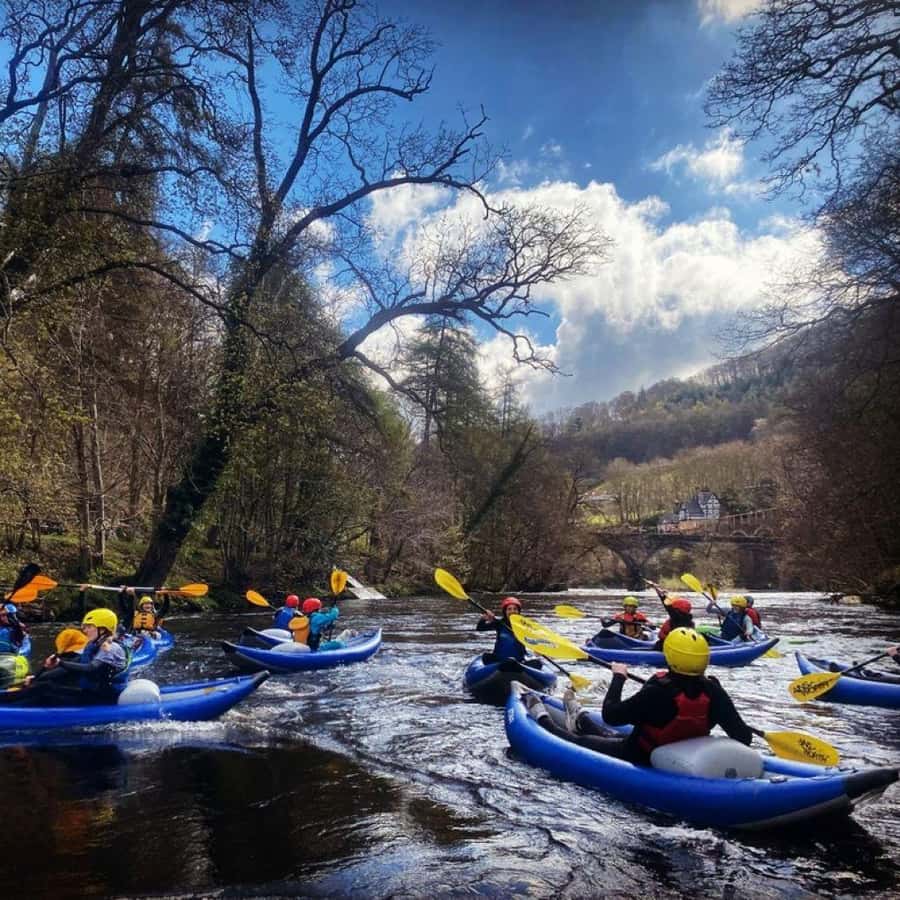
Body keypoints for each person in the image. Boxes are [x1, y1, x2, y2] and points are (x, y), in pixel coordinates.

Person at [524, 627, 753, 765]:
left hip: (640, 755)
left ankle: (543, 719)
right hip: (684, 757)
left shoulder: (658, 690)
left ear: (670, 655)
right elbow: (743, 736)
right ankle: (581, 718)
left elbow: (612, 715)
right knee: (609, 735)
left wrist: (618, 678)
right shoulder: (714, 690)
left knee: (581, 742)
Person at [0, 609, 127, 707]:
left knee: (45, 690)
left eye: (89, 627)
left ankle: (8, 706)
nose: (85, 630)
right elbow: (74, 665)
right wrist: (36, 678)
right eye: (84, 627)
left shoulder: (111, 648)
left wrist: (61, 662)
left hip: (103, 698)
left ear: (103, 630)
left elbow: (91, 668)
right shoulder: (92, 645)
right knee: (45, 684)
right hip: (90, 693)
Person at [476, 596, 529, 664]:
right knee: (485, 657)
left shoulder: (524, 625)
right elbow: (480, 628)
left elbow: (535, 639)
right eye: (509, 609)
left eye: (515, 609)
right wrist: (484, 619)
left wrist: (538, 649)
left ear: (518, 611)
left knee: (537, 663)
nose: (512, 611)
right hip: (500, 658)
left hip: (519, 660)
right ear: (505, 612)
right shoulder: (499, 623)